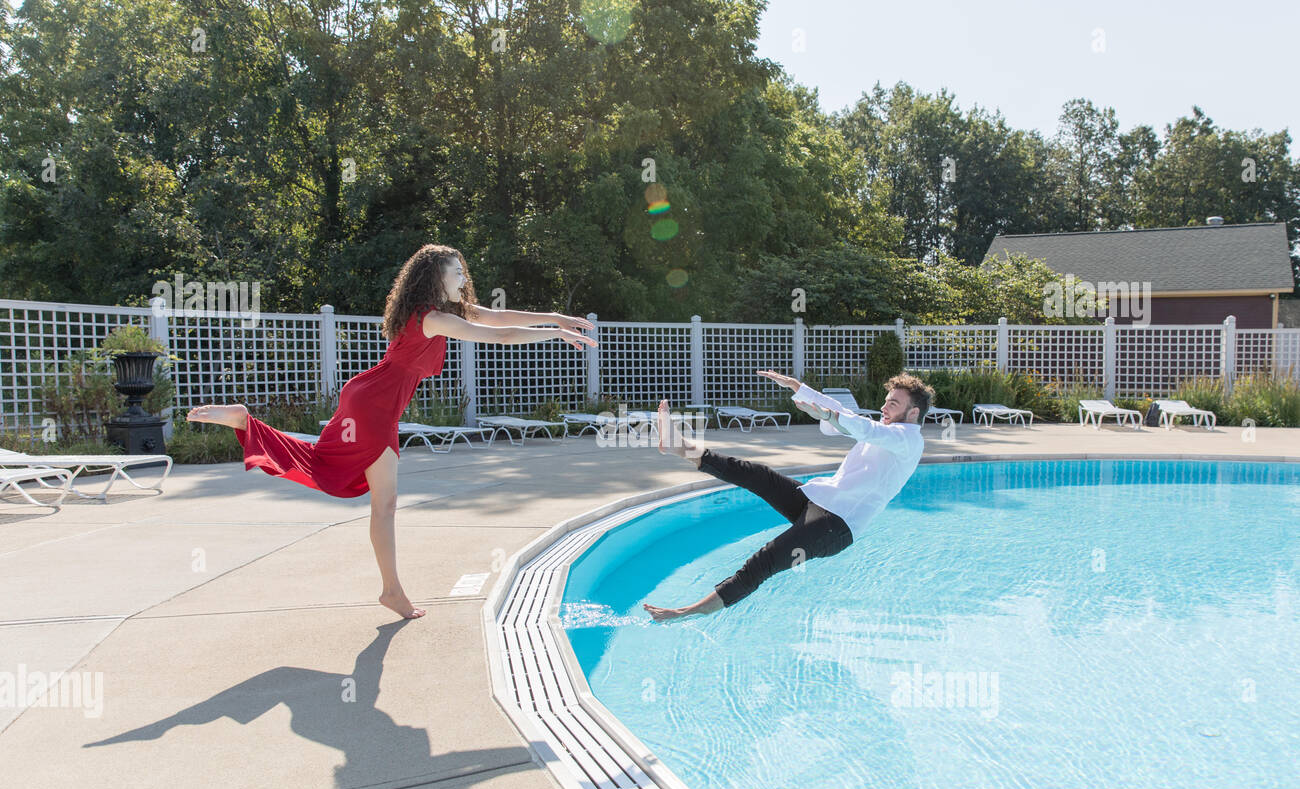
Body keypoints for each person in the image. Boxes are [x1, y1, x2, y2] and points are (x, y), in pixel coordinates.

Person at [186, 244, 597, 619]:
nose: (464, 281)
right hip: (374, 408)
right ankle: (392, 591)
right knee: (382, 503)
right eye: (457, 274)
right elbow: (499, 335)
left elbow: (498, 317)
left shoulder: (432, 313)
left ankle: (246, 422)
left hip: (366, 398)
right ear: (436, 277)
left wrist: (556, 317)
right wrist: (555, 333)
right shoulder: (433, 319)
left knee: (328, 466)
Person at [642, 369, 932, 621]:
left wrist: (830, 416)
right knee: (756, 474)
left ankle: (686, 613)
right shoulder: (887, 430)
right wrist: (799, 388)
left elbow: (862, 427)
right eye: (885, 401)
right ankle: (678, 446)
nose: (884, 407)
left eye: (892, 404)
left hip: (834, 526)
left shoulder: (908, 440)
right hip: (820, 502)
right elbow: (854, 419)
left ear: (913, 413)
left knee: (763, 561)